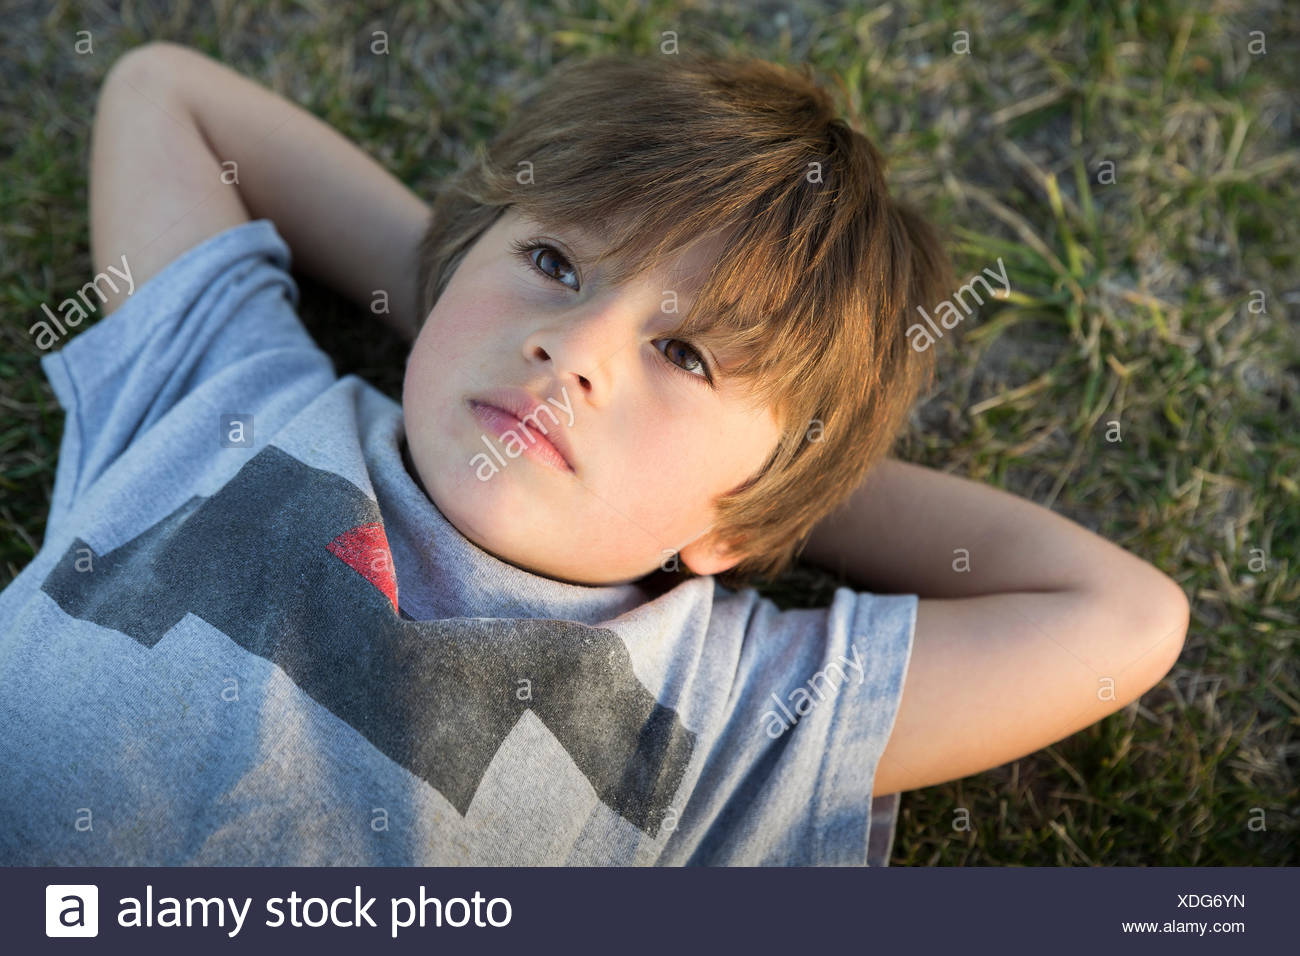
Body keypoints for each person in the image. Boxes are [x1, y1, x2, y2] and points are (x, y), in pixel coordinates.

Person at [0, 42, 1189, 866]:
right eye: (557, 265)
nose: (571, 348)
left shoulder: (725, 714)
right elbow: (168, 97)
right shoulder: (231, 396)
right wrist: (450, 291)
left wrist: (771, 494)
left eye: (686, 357)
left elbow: (1122, 614)